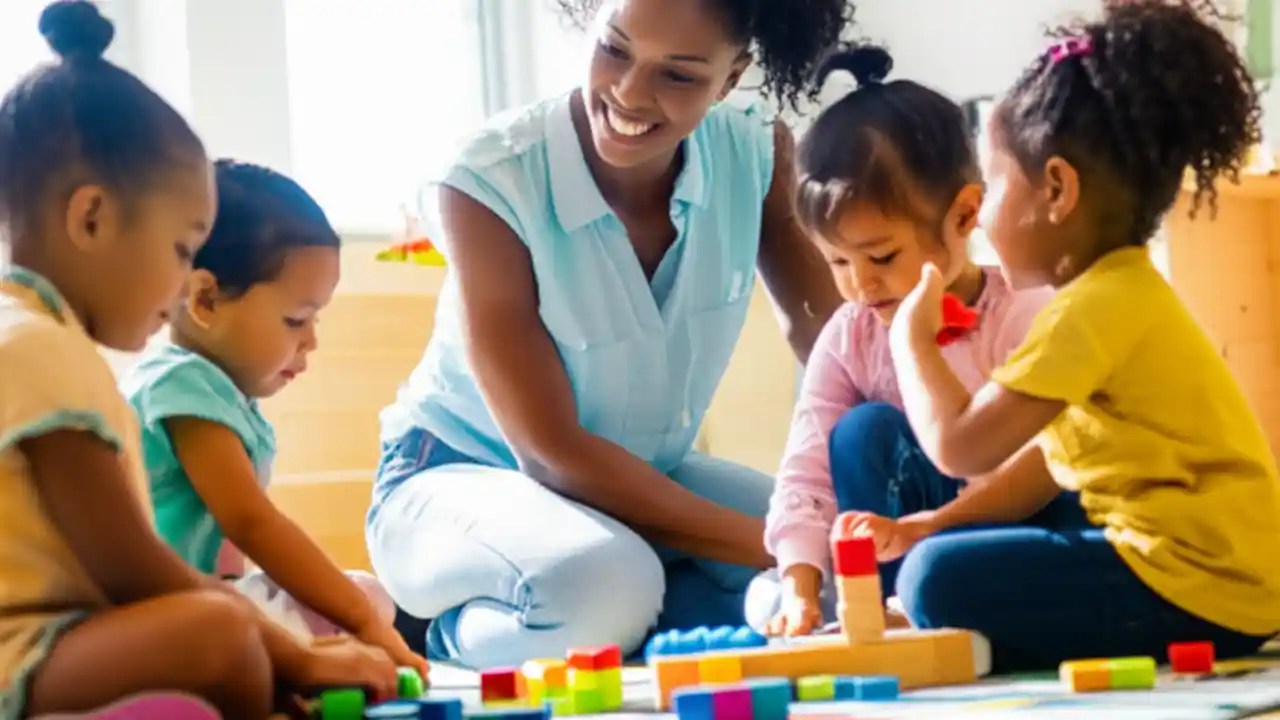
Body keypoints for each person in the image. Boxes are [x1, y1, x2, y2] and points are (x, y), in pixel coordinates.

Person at [367, 0, 852, 667]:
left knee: (847, 571)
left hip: (643, 477)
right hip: (458, 474)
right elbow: (550, 451)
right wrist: (781, 546)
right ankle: (433, 633)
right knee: (606, 589)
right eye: (614, 49)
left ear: (732, 76)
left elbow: (831, 341)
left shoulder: (755, 150)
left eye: (678, 76)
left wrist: (892, 483)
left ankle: (658, 604)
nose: (628, 92)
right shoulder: (489, 178)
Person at [0, 3, 398, 719]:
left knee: (229, 630)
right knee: (216, 631)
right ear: (91, 219)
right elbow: (132, 570)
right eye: (182, 249)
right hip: (24, 660)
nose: (184, 282)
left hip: (63, 641)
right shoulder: (38, 352)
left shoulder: (38, 340)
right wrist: (299, 656)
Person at [873, 0, 1280, 672]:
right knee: (940, 556)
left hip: (1199, 589)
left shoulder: (1091, 308)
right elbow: (1037, 467)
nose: (980, 218)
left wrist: (910, 342)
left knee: (931, 579)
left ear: (1056, 189)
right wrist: (932, 522)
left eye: (994, 184)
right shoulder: (1119, 293)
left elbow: (959, 446)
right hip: (1229, 583)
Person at [750, 45, 1064, 638]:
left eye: (882, 256)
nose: (860, 283)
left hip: (1015, 524)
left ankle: (937, 595)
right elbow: (807, 470)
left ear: (966, 216)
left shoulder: (1023, 314)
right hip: (909, 552)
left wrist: (933, 526)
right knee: (861, 431)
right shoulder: (852, 333)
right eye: (837, 261)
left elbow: (1045, 469)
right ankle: (890, 607)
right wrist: (799, 586)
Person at [121, 160, 428, 678]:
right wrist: (361, 622)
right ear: (205, 298)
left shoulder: (215, 391)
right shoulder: (179, 385)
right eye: (295, 319)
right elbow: (251, 521)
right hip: (169, 616)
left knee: (365, 594)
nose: (310, 340)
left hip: (211, 603)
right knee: (357, 607)